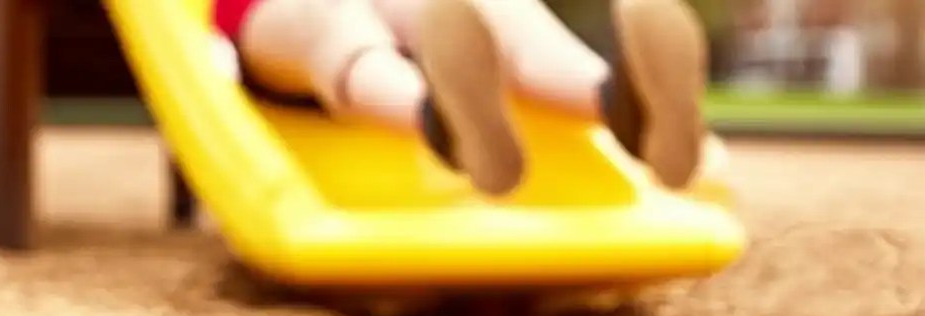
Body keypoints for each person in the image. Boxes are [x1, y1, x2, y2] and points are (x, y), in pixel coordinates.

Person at [212, 0, 709, 196]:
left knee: (494, 6)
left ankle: (622, 103)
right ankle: (442, 119)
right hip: (269, 23)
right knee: (331, 23)